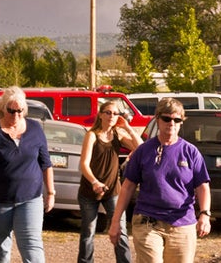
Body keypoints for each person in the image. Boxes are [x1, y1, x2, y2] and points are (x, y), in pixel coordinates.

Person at [109, 98, 211, 263]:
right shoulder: (143, 151)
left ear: (181, 122)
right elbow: (127, 187)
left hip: (182, 223)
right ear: (157, 119)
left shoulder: (190, 152)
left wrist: (205, 214)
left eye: (177, 120)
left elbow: (202, 186)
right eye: (167, 118)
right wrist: (115, 222)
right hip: (148, 222)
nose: (172, 123)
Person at [0, 86, 55, 263]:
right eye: (11, 111)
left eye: (20, 111)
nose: (16, 115)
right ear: (2, 108)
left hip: (30, 198)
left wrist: (51, 192)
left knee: (32, 247)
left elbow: (46, 164)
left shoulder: (35, 129)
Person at [77, 99, 141, 263]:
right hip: (89, 191)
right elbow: (84, 164)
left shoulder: (118, 135)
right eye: (108, 113)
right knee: (88, 233)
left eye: (115, 113)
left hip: (113, 190)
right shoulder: (92, 135)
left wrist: (127, 127)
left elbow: (140, 148)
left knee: (120, 230)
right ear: (100, 115)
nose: (112, 116)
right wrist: (94, 182)